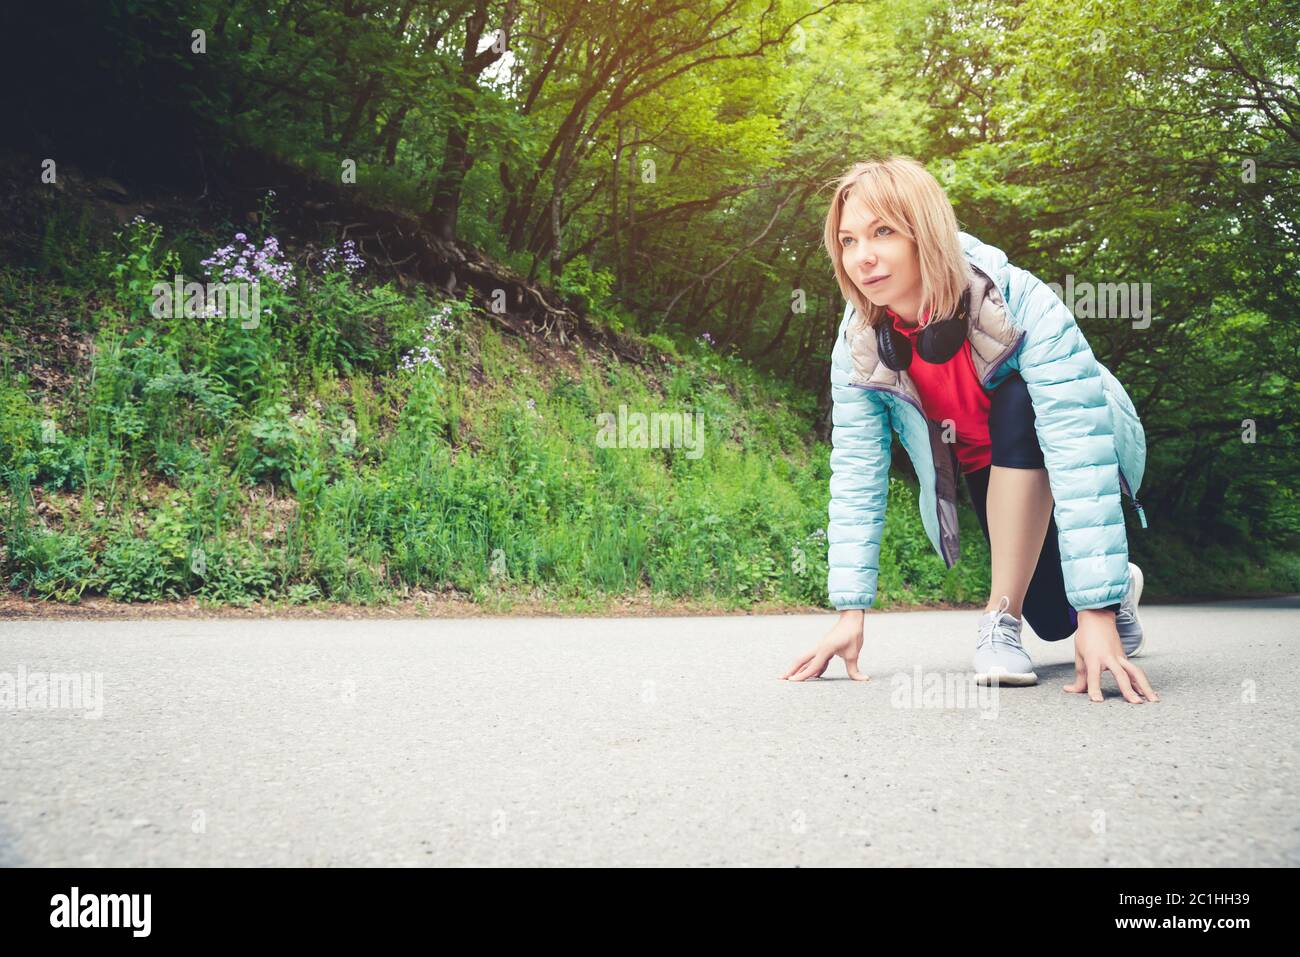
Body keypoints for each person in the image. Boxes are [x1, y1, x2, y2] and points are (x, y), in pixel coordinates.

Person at [783, 156, 1158, 704]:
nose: (863, 257)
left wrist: (1096, 614)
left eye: (882, 231)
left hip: (1062, 443)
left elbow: (1079, 449)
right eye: (848, 240)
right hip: (989, 468)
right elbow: (858, 474)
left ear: (924, 232)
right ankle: (1121, 585)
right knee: (1056, 619)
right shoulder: (861, 345)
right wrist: (849, 611)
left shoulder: (1021, 301)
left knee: (1016, 401)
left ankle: (1001, 620)